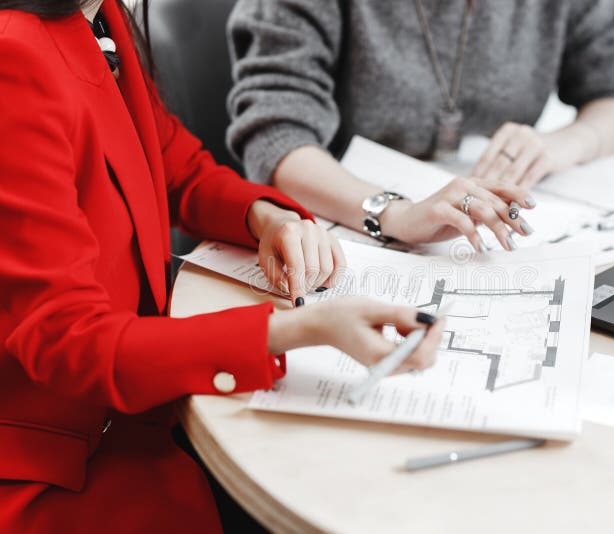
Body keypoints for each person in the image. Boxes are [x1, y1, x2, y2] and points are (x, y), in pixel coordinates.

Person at [0, 1, 444, 532]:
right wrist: (296, 330)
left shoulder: (102, 16)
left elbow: (175, 165)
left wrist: (264, 218)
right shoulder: (14, 56)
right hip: (56, 464)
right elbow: (68, 339)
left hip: (138, 415)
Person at [226, 0, 614, 249]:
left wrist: (564, 143)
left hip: (492, 219)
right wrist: (393, 213)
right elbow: (277, 135)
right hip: (342, 209)